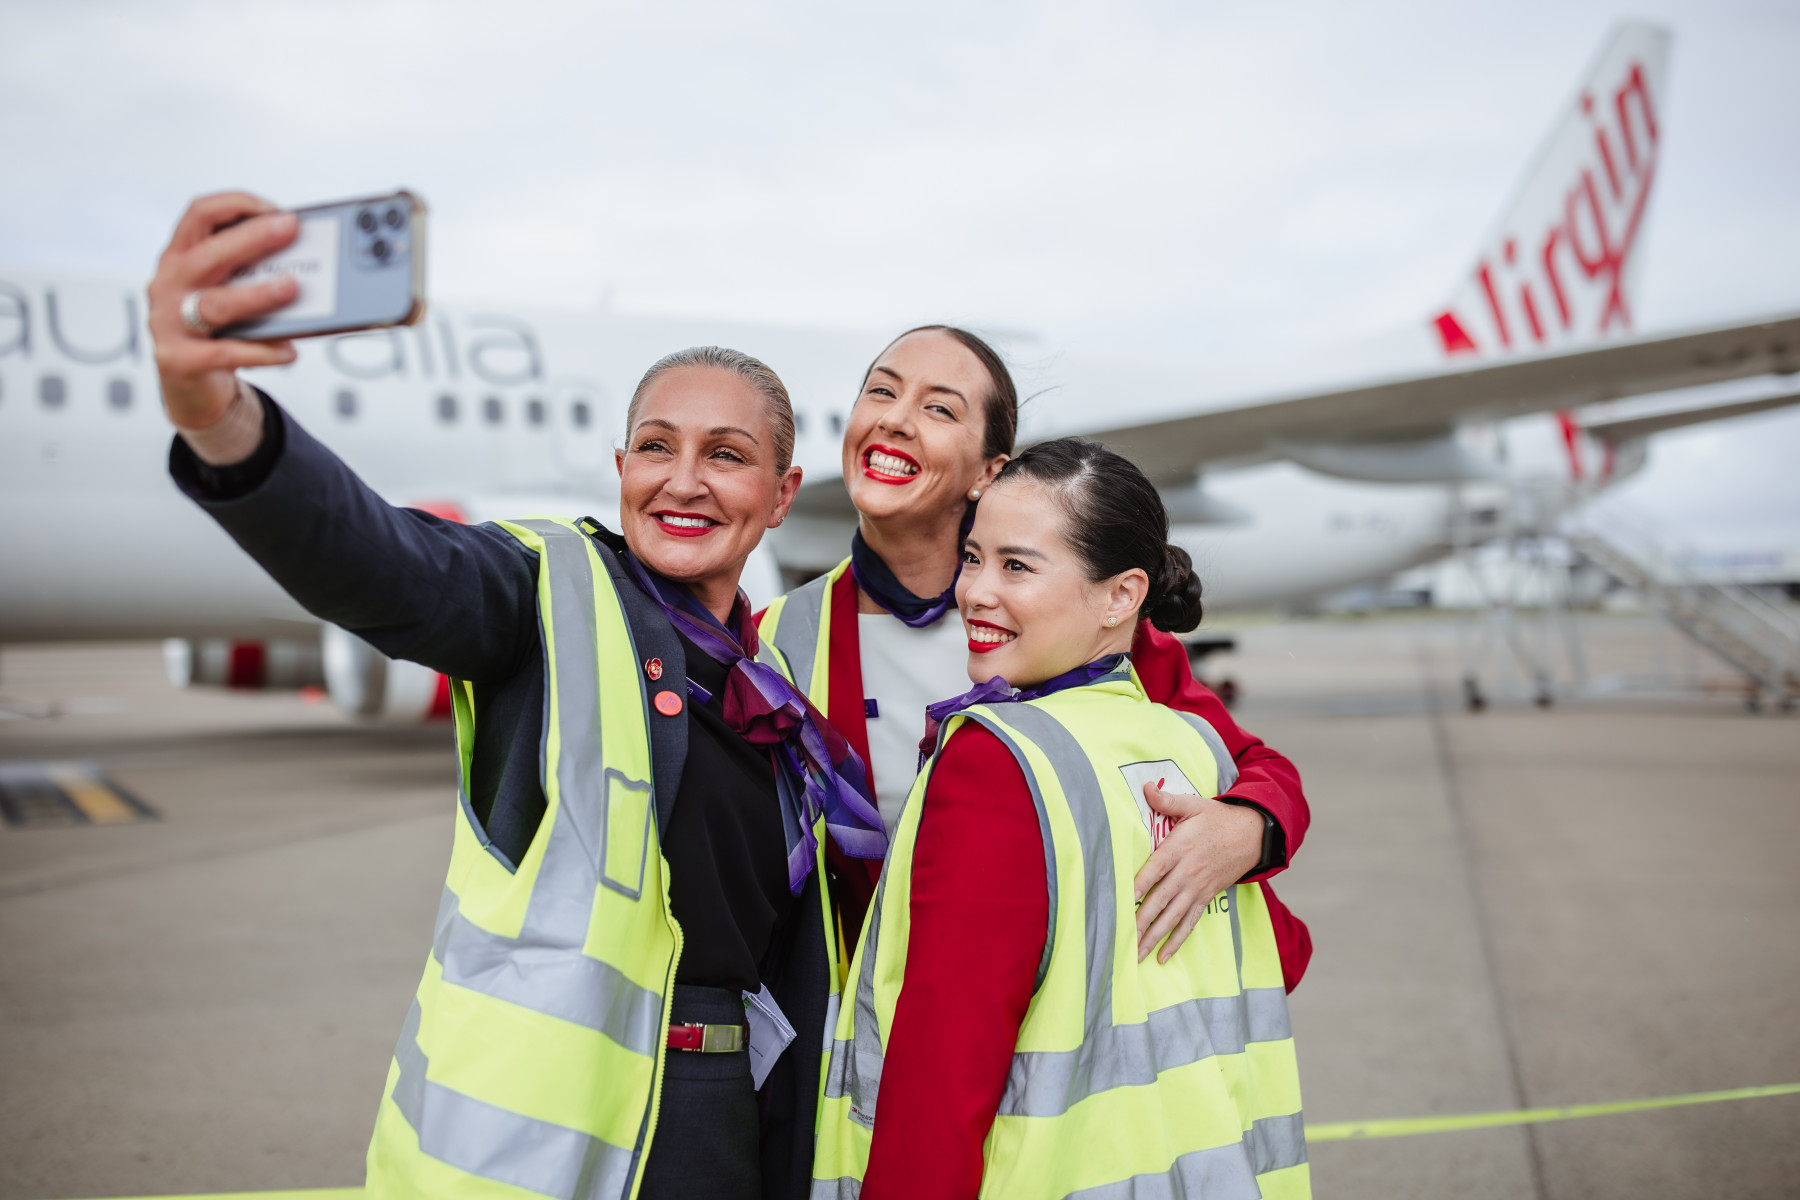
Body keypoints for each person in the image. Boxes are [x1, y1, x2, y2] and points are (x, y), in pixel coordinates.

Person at [146, 192, 886, 1200]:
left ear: (781, 493)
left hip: (742, 1113)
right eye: (658, 448)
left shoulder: (777, 687)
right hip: (566, 1134)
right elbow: (385, 561)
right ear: (621, 469)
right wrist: (221, 422)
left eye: (726, 455)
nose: (684, 481)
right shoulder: (548, 591)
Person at [812, 438, 1310, 1200]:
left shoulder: (997, 763)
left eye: (1016, 566)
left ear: (1121, 597)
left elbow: (945, 1070)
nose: (975, 592)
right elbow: (1284, 953)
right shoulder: (1193, 747)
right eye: (973, 558)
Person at [757, 326, 1311, 977]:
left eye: (939, 407)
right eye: (880, 392)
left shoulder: (1072, 621)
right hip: (868, 1030)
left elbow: (1257, 767)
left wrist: (1245, 829)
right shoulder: (776, 635)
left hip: (1057, 1012)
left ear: (991, 472)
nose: (896, 419)